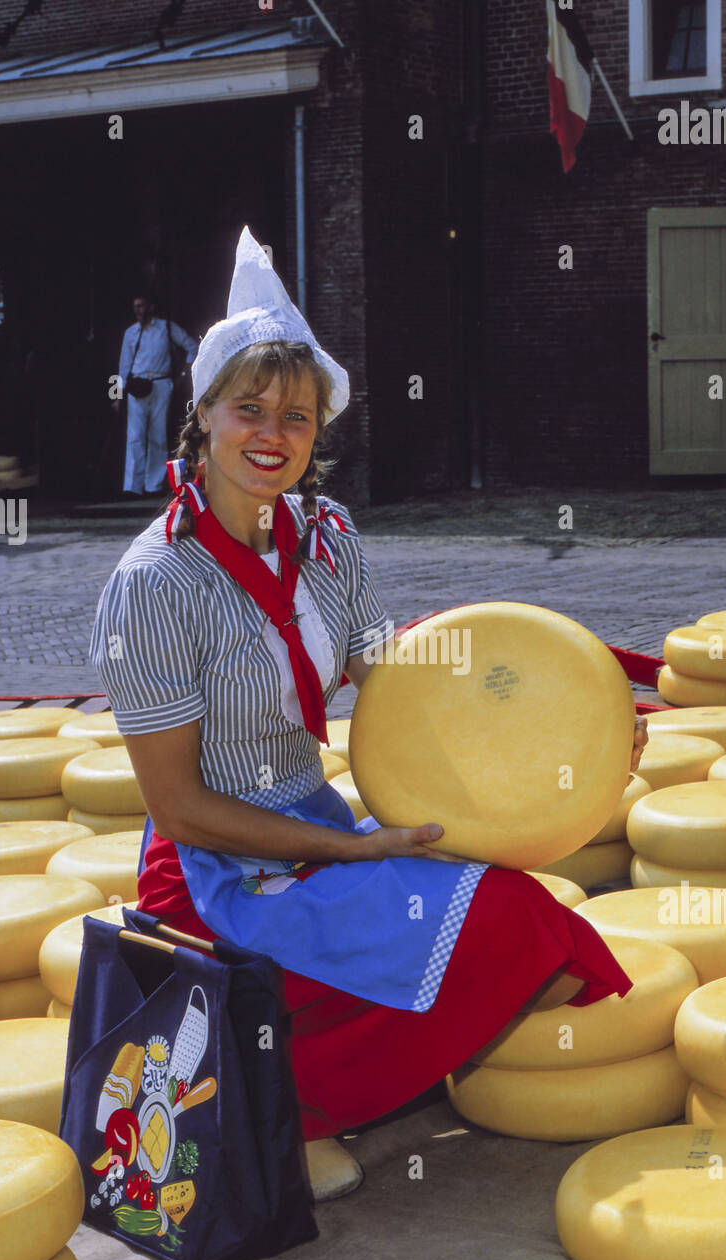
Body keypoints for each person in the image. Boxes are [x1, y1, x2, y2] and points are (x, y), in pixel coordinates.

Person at [90, 227, 647, 1204]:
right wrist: (357, 854)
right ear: (204, 415)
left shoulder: (330, 538)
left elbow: (396, 687)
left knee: (529, 925)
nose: (273, 433)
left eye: (296, 416)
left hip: (316, 824)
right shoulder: (154, 584)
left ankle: (307, 1091)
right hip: (212, 867)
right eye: (248, 408)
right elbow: (176, 807)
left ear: (318, 431)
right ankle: (286, 1107)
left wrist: (578, 731)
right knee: (452, 937)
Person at [115, 295, 197, 497]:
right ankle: (132, 486)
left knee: (157, 435)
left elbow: (191, 346)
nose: (138, 310)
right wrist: (116, 395)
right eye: (135, 307)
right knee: (135, 436)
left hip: (160, 383)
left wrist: (183, 376)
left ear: (150, 307)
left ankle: (154, 484)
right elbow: (123, 366)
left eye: (141, 306)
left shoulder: (166, 328)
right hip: (137, 385)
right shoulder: (131, 333)